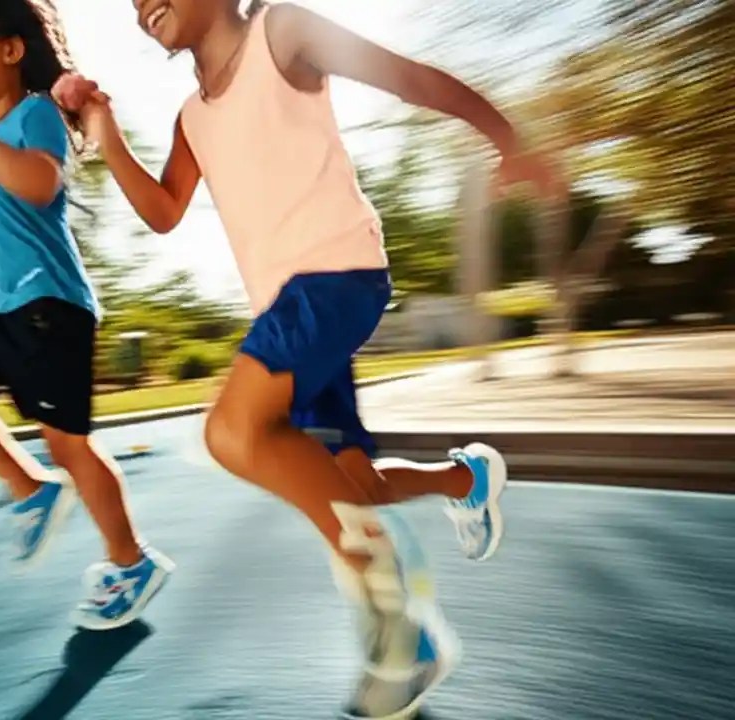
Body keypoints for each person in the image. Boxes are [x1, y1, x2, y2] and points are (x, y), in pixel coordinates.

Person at [52, 0, 558, 715]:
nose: (140, 2)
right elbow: (164, 211)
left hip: (339, 278)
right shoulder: (191, 118)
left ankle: (402, 634)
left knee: (231, 431)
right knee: (352, 484)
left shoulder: (281, 32)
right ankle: (465, 477)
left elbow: (407, 78)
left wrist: (507, 139)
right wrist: (102, 129)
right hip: (290, 312)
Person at [0, 0, 172, 631]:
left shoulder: (36, 114)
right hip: (4, 305)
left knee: (70, 446)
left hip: (50, 305)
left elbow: (39, 184)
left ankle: (131, 561)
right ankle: (30, 488)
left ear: (12, 50)